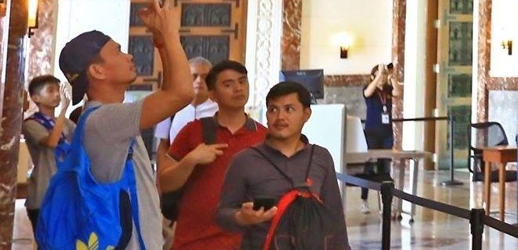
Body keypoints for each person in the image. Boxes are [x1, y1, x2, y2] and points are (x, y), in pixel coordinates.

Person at [57, 0, 196, 250]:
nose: (129, 55)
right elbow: (181, 93)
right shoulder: (104, 120)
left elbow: (170, 91)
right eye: (118, 51)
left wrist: (161, 40)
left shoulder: (106, 117)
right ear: (98, 71)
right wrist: (170, 33)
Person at [216, 81, 350, 249]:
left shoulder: (321, 157)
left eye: (289, 109)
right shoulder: (244, 160)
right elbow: (222, 214)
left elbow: (334, 215)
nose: (280, 117)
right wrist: (241, 217)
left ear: (306, 114)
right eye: (273, 110)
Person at [156, 60, 267, 250]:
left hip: (246, 242)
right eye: (228, 84)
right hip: (194, 241)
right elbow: (165, 183)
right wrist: (191, 159)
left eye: (242, 81)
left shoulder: (265, 136)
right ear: (213, 95)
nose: (238, 88)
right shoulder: (192, 131)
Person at [21, 74, 73, 233]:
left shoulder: (65, 123)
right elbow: (52, 142)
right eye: (50, 91)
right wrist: (64, 108)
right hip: (43, 193)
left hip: (66, 191)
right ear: (36, 98)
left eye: (58, 90)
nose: (57, 94)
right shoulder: (30, 124)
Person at [154, 57, 215, 148]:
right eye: (194, 76)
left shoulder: (222, 110)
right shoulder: (170, 109)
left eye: (205, 77)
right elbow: (163, 145)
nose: (199, 81)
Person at [359, 63, 395, 205]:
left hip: (387, 134)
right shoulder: (370, 91)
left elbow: (398, 93)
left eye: (384, 75)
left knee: (385, 166)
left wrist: (392, 77)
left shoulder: (388, 90)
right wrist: (379, 74)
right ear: (373, 76)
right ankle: (364, 199)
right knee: (369, 167)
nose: (382, 77)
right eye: (380, 75)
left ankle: (385, 201)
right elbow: (367, 93)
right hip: (372, 133)